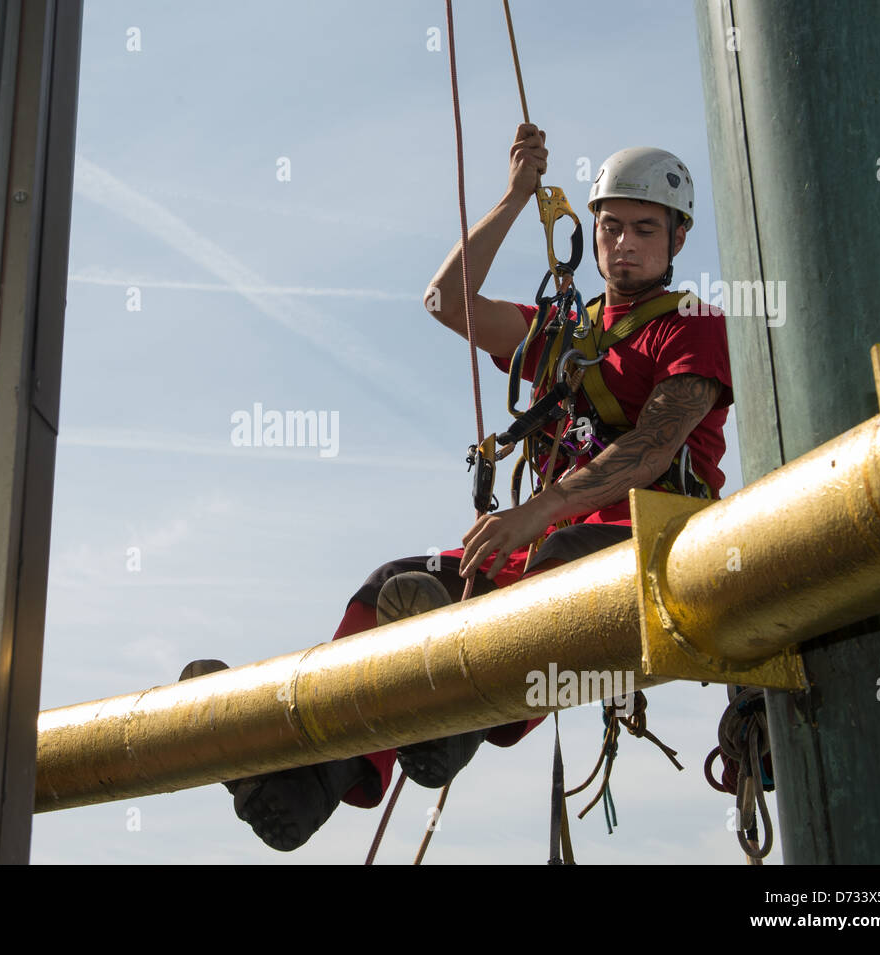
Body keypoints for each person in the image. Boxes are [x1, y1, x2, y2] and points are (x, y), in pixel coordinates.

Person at [184, 124, 735, 852]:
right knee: (397, 583)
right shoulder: (568, 329)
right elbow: (447, 300)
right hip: (543, 541)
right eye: (610, 228)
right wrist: (514, 198)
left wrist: (533, 511)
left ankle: (454, 717)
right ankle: (306, 778)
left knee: (554, 569)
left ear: (678, 239)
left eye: (644, 229)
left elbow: (651, 446)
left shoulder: (691, 325)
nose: (624, 244)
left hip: (648, 539)